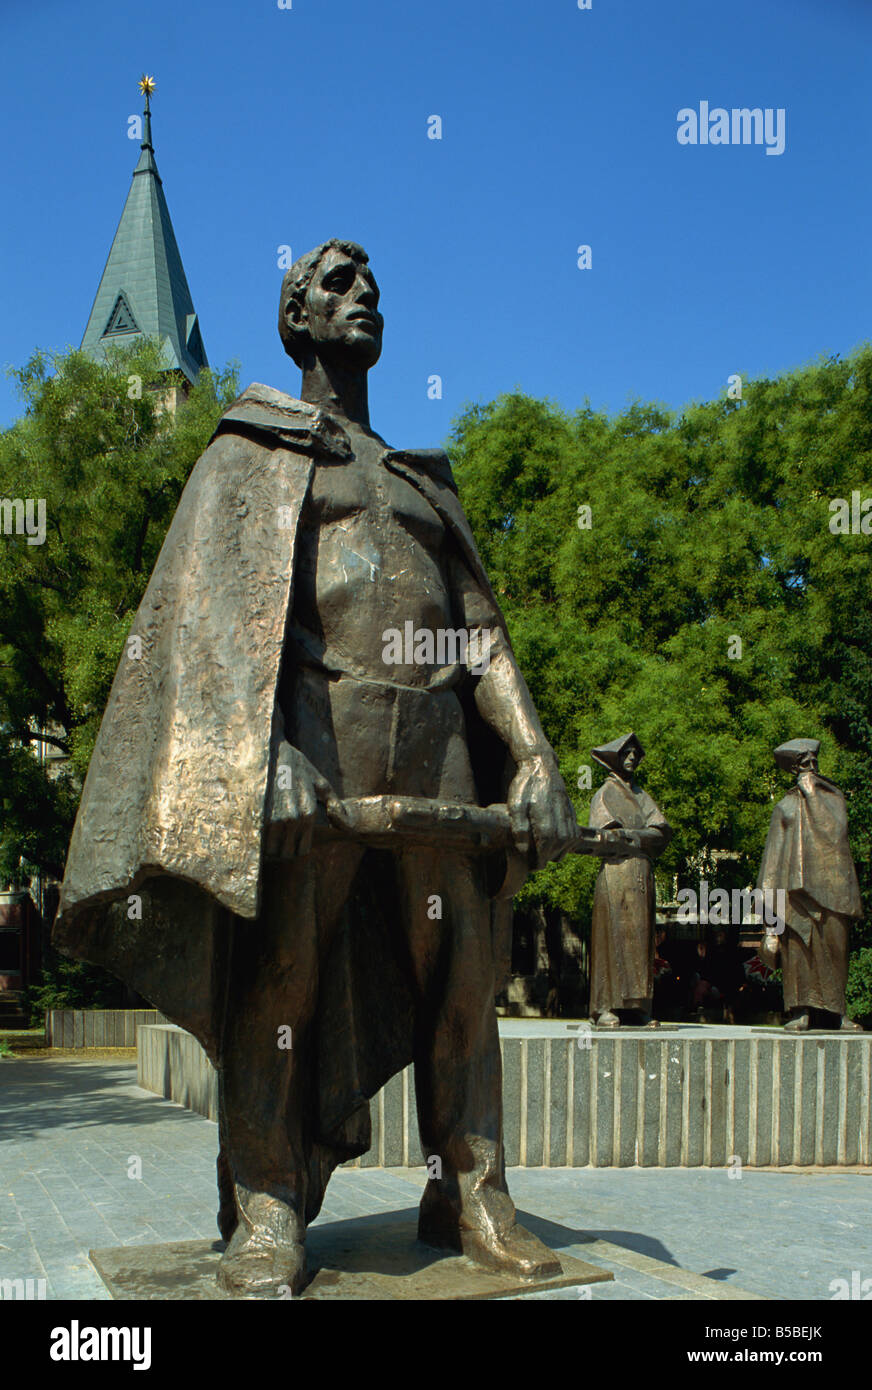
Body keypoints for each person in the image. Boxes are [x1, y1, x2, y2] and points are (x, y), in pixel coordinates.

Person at [54, 240, 584, 1295]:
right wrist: (262, 752)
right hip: (316, 733)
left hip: (436, 752)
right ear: (294, 319)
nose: (362, 296)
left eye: (371, 284)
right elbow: (213, 623)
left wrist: (529, 755)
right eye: (335, 284)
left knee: (464, 984)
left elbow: (477, 633)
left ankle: (469, 1191)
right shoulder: (251, 452)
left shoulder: (418, 482)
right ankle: (268, 1205)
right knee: (280, 979)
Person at [757, 738, 864, 1033]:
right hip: (794, 894)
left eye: (813, 761)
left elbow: (836, 833)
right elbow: (772, 863)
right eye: (804, 763)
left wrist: (812, 794)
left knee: (835, 950)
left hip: (833, 890)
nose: (811, 766)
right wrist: (769, 923)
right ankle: (799, 1010)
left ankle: (837, 1012)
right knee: (798, 955)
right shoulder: (784, 807)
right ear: (793, 768)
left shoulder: (833, 800)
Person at [587, 733, 672, 1028]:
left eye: (636, 753)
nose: (633, 757)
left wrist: (634, 836)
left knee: (640, 940)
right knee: (611, 937)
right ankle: (604, 1006)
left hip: (641, 874)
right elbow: (605, 835)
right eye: (627, 753)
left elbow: (660, 832)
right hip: (615, 872)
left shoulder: (641, 795)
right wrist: (633, 837)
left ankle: (637, 1005)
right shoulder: (604, 793)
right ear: (615, 758)